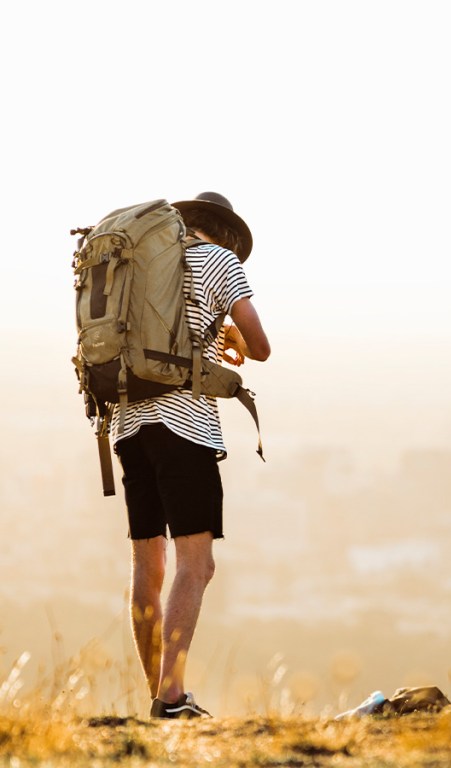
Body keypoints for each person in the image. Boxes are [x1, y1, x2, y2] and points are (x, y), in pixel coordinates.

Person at [113, 192, 271, 719]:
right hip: (185, 425)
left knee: (147, 562)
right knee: (196, 563)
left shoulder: (137, 261)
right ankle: (173, 696)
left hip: (125, 421)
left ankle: (158, 695)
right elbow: (260, 344)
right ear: (224, 234)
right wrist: (233, 338)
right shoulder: (217, 260)